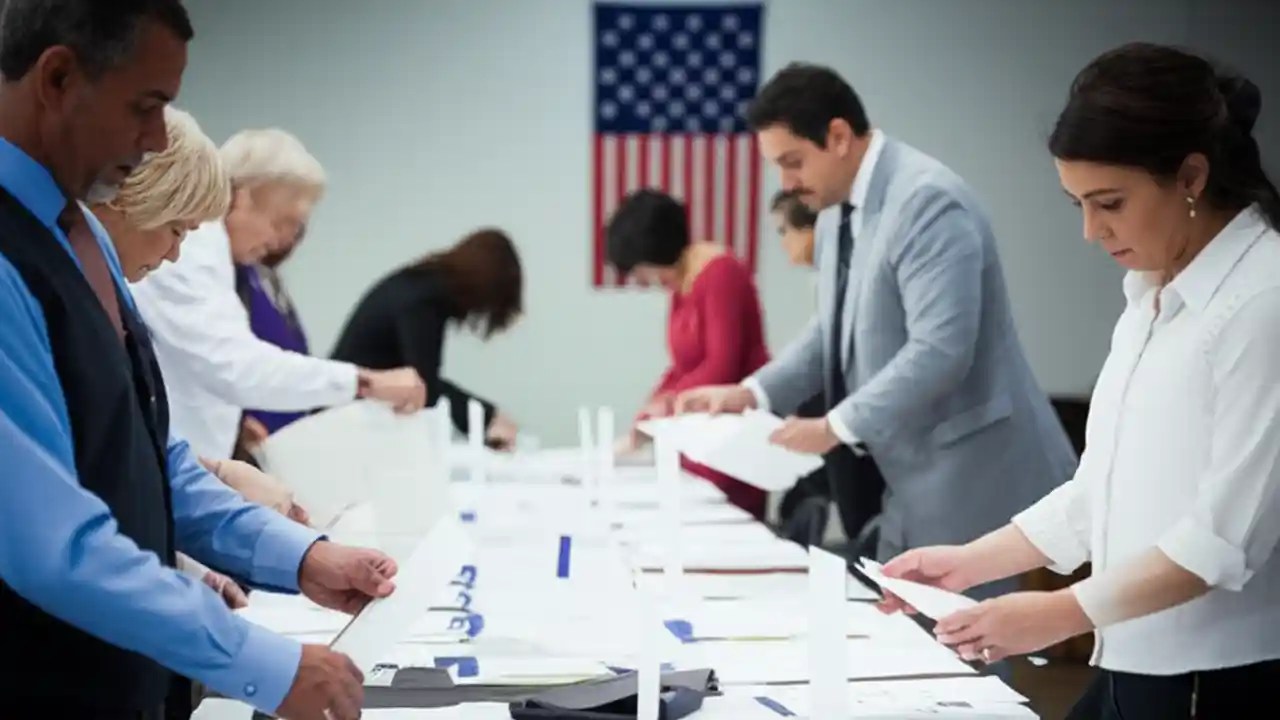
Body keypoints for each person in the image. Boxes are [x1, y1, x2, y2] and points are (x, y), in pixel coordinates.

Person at [0, 2, 397, 718]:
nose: (157, 138)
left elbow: (146, 456)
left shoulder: (77, 235)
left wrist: (301, 555)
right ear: (57, 78)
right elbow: (49, 541)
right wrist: (262, 664)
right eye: (145, 107)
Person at [878, 43, 1280, 719]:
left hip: (1215, 676)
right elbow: (1100, 494)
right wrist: (970, 563)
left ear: (1190, 175)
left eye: (1110, 203)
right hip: (1137, 659)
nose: (1092, 231)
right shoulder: (1151, 294)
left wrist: (1061, 612)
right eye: (1077, 206)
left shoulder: (1263, 300)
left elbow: (1222, 541)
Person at [677, 64, 1077, 590]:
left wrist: (833, 427)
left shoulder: (927, 202)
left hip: (974, 472)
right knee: (905, 633)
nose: (787, 183)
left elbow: (940, 349)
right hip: (906, 474)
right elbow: (832, 330)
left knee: (967, 649)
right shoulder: (837, 211)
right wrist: (750, 393)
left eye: (793, 162)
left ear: (838, 137)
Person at [131, 127, 427, 460]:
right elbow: (236, 366)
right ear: (242, 197)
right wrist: (363, 381)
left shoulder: (227, 263)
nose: (280, 241)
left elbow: (195, 361)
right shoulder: (190, 252)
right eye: (279, 222)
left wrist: (233, 420)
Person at [609, 189, 771, 520]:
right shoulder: (682, 283)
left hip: (730, 438)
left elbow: (721, 367)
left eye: (640, 271)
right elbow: (683, 366)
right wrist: (649, 408)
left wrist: (664, 405)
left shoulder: (720, 273)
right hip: (697, 436)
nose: (641, 280)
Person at [331, 228, 523, 447]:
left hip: (347, 412)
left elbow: (421, 383)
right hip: (345, 420)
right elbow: (424, 390)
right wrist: (489, 418)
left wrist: (487, 416)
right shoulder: (423, 302)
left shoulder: (417, 284)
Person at [237, 224, 313, 451]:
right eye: (285, 222)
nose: (289, 239)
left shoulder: (272, 284)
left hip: (288, 436)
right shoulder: (236, 282)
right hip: (250, 438)